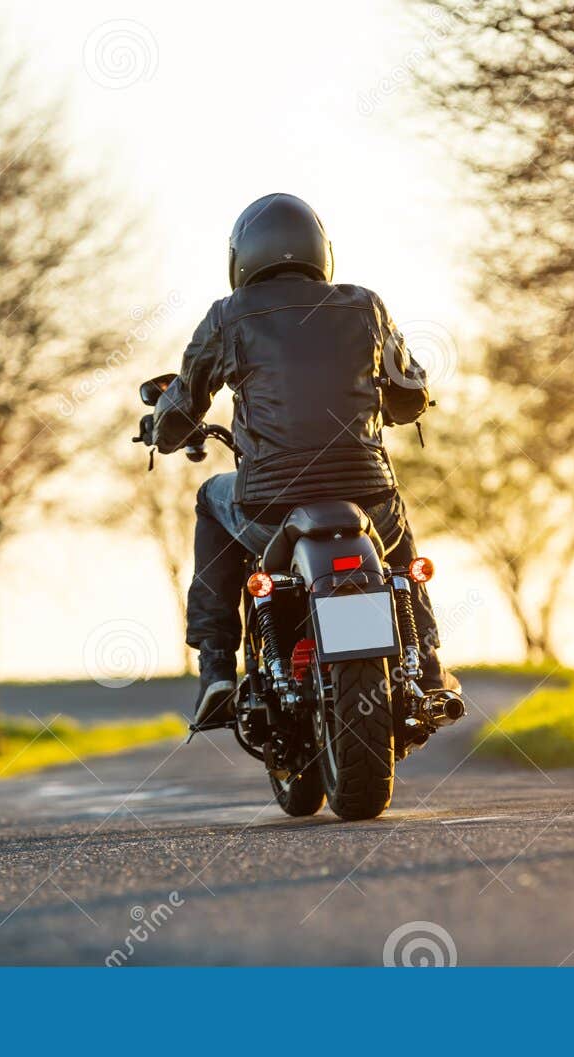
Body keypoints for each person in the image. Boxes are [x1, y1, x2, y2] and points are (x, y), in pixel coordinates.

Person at [149, 193, 456, 730]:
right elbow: (408, 393)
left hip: (269, 503)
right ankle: (428, 669)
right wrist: (407, 400)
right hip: (367, 497)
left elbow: (185, 403)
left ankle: (217, 665)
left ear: (240, 257)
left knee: (208, 498)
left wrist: (162, 429)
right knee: (402, 554)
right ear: (321, 250)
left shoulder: (227, 316)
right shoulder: (366, 306)